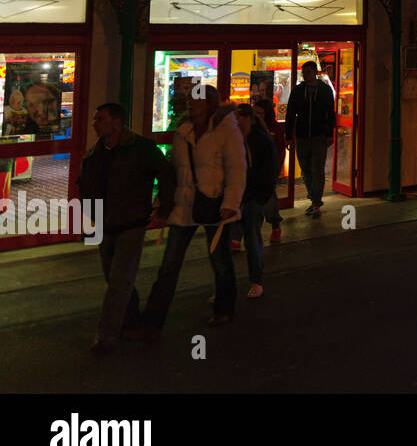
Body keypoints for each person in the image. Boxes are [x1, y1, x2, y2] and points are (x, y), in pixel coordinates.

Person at [128, 86, 245, 338]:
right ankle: (152, 323)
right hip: (184, 205)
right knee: (169, 266)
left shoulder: (226, 130)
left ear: (210, 103)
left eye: (197, 100)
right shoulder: (183, 131)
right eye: (190, 99)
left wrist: (230, 203)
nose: (191, 103)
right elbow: (175, 170)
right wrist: (164, 201)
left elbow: (237, 168)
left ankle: (225, 309)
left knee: (220, 261)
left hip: (214, 204)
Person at [77, 103, 168, 353]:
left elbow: (166, 174)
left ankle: (107, 335)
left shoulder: (140, 149)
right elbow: (85, 184)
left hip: (132, 223)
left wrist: (161, 208)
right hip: (106, 224)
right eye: (95, 118)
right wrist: (89, 216)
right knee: (115, 278)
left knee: (119, 280)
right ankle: (133, 322)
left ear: (117, 123)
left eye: (101, 119)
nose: (95, 123)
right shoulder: (96, 153)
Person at [234, 104, 277, 298]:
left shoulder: (259, 140)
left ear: (247, 119)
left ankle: (256, 279)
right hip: (238, 197)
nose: (236, 121)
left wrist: (259, 195)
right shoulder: (237, 139)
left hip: (251, 197)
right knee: (242, 238)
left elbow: (268, 171)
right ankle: (227, 287)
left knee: (252, 237)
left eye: (239, 117)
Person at [284, 61, 336, 218]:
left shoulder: (324, 90)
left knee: (317, 170)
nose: (305, 75)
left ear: (314, 72)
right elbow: (290, 113)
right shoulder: (299, 91)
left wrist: (329, 133)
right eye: (303, 72)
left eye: (307, 72)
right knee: (306, 170)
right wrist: (288, 135)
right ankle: (314, 198)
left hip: (318, 136)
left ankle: (315, 202)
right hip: (302, 136)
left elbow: (330, 113)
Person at [253, 98, 285, 243]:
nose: (258, 116)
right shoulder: (251, 127)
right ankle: (240, 235)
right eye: (255, 113)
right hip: (253, 168)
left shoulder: (274, 128)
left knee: (269, 197)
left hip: (268, 168)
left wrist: (276, 168)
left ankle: (275, 225)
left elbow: (279, 149)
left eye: (260, 113)